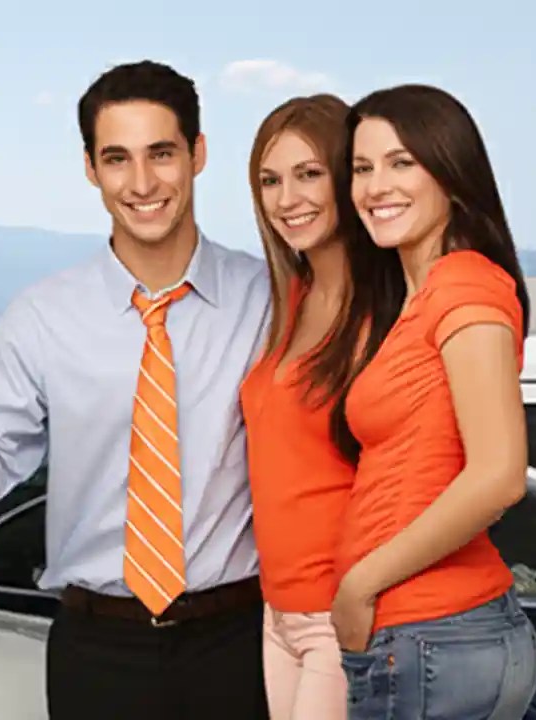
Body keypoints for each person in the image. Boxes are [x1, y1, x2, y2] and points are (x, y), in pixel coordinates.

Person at [0, 59, 272, 718]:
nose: (142, 183)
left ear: (199, 155)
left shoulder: (269, 299)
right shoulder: (43, 315)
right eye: (118, 158)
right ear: (91, 168)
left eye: (162, 153)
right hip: (97, 651)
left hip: (240, 643)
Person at [327, 83, 536, 718]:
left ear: (450, 171)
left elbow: (500, 475)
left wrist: (360, 585)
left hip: (431, 637)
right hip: (437, 637)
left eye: (401, 163)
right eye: (362, 168)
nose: (376, 187)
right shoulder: (422, 299)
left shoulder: (463, 285)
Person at [239, 94, 356, 720]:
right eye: (270, 181)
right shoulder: (290, 300)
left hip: (342, 611)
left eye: (309, 174)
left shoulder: (383, 312)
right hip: (277, 609)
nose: (287, 199)